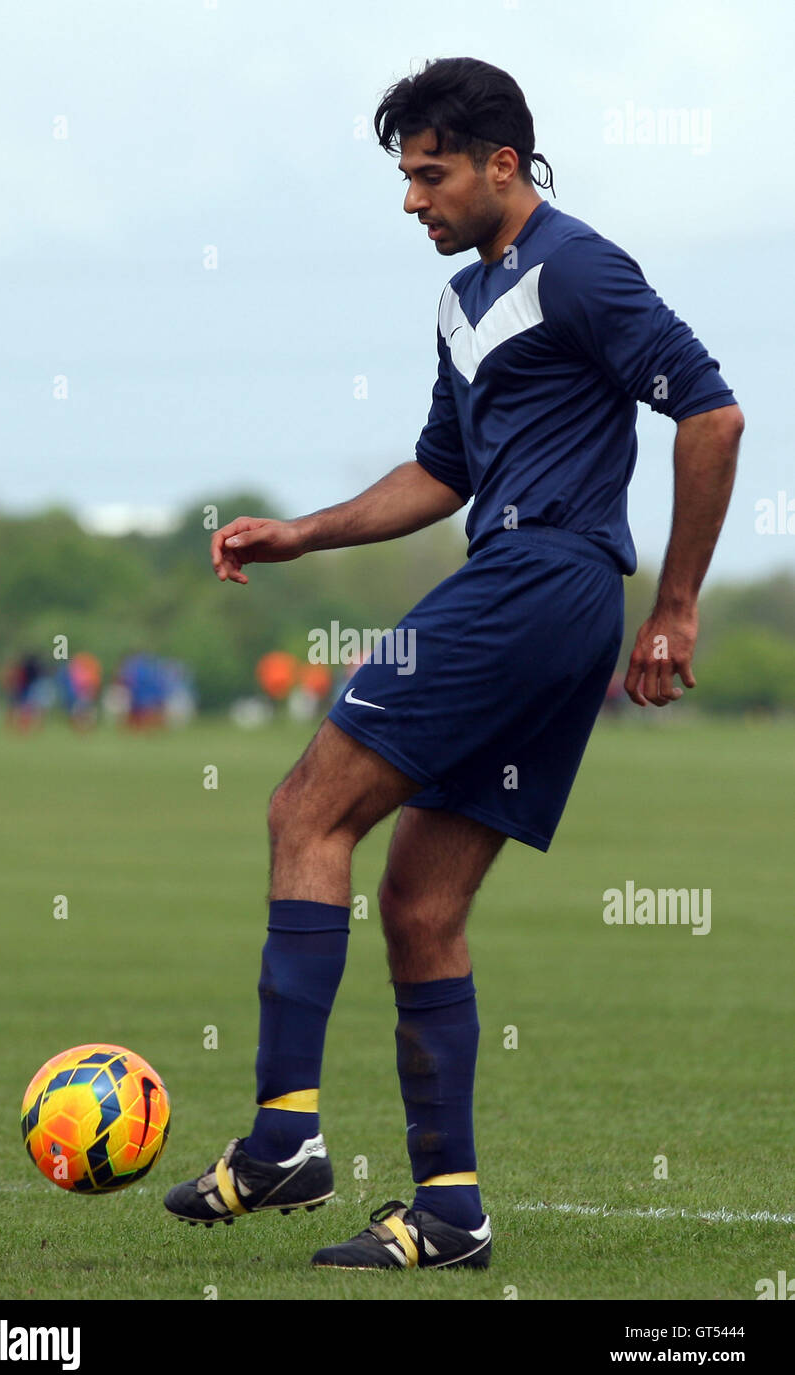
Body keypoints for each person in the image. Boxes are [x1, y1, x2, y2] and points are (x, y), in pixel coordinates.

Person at [163, 57, 744, 1271]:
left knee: (303, 810)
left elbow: (708, 409)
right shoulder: (460, 300)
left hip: (536, 581)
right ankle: (450, 1210)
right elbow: (441, 471)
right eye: (404, 176)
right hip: (543, 593)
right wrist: (303, 531)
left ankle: (283, 1139)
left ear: (500, 164)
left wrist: (677, 605)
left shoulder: (577, 265)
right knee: (420, 902)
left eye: (429, 174)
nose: (412, 200)